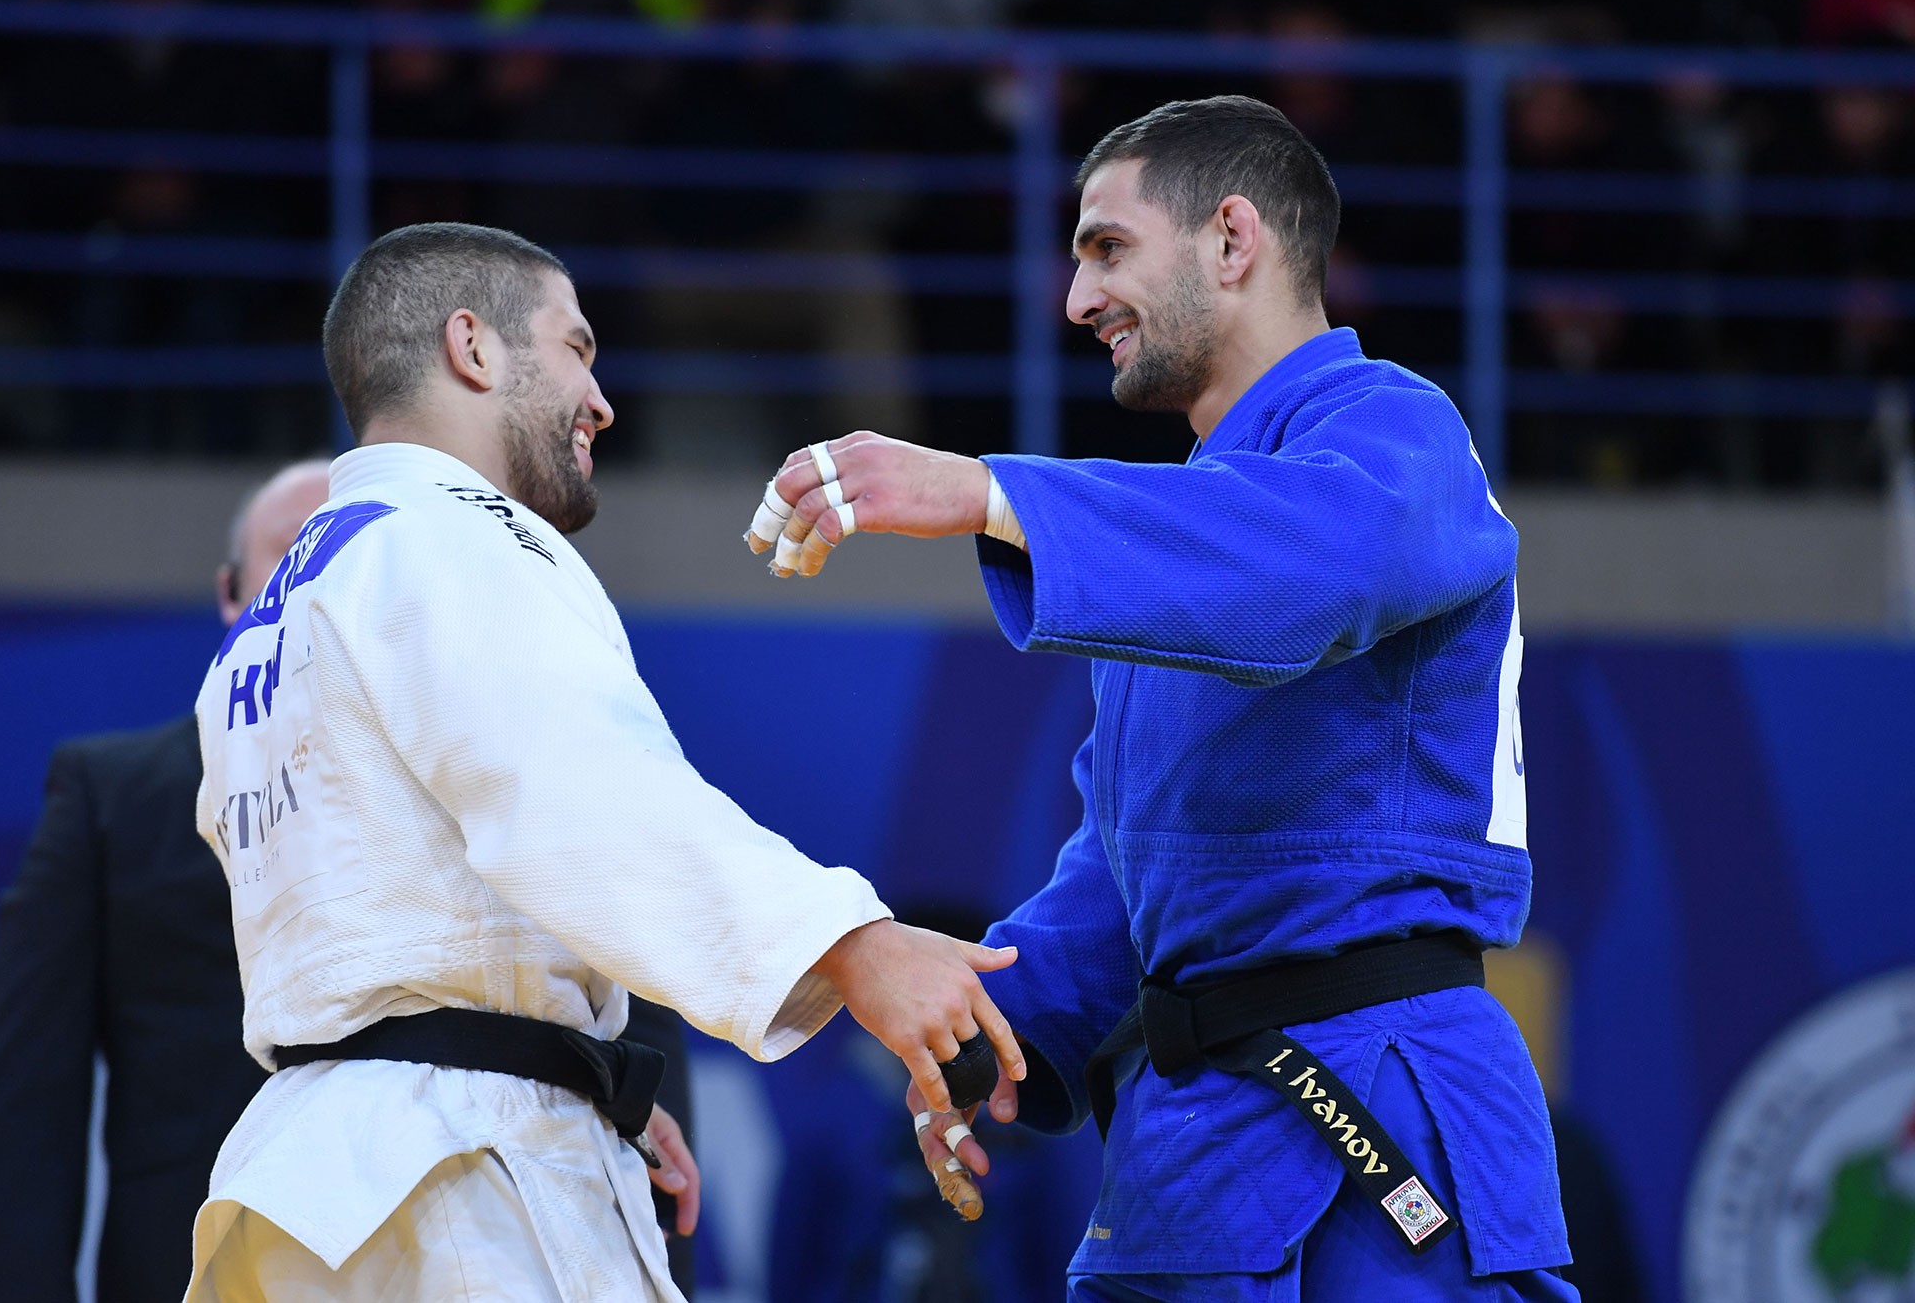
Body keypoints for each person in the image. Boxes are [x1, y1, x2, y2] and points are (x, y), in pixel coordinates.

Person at [749, 96, 1574, 1299]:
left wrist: (988, 489)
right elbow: (1129, 871)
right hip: (1189, 1154)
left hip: (1376, 1099)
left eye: (1105, 248)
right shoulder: (1186, 540)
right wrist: (978, 1043)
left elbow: (1308, 571)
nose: (1076, 301)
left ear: (1231, 241)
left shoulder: (1396, 435)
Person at [183, 221, 1026, 1302]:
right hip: (452, 1184)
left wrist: (586, 1071)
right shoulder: (453, 534)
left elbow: (387, 913)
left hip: (313, 1179)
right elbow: (580, 797)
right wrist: (854, 947)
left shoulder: (280, 609)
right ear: (473, 350)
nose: (601, 399)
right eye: (576, 348)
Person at [0, 460, 330, 1303]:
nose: (323, 579)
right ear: (231, 593)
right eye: (292, 553)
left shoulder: (479, 788)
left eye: (351, 552)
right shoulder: (111, 798)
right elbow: (24, 1112)